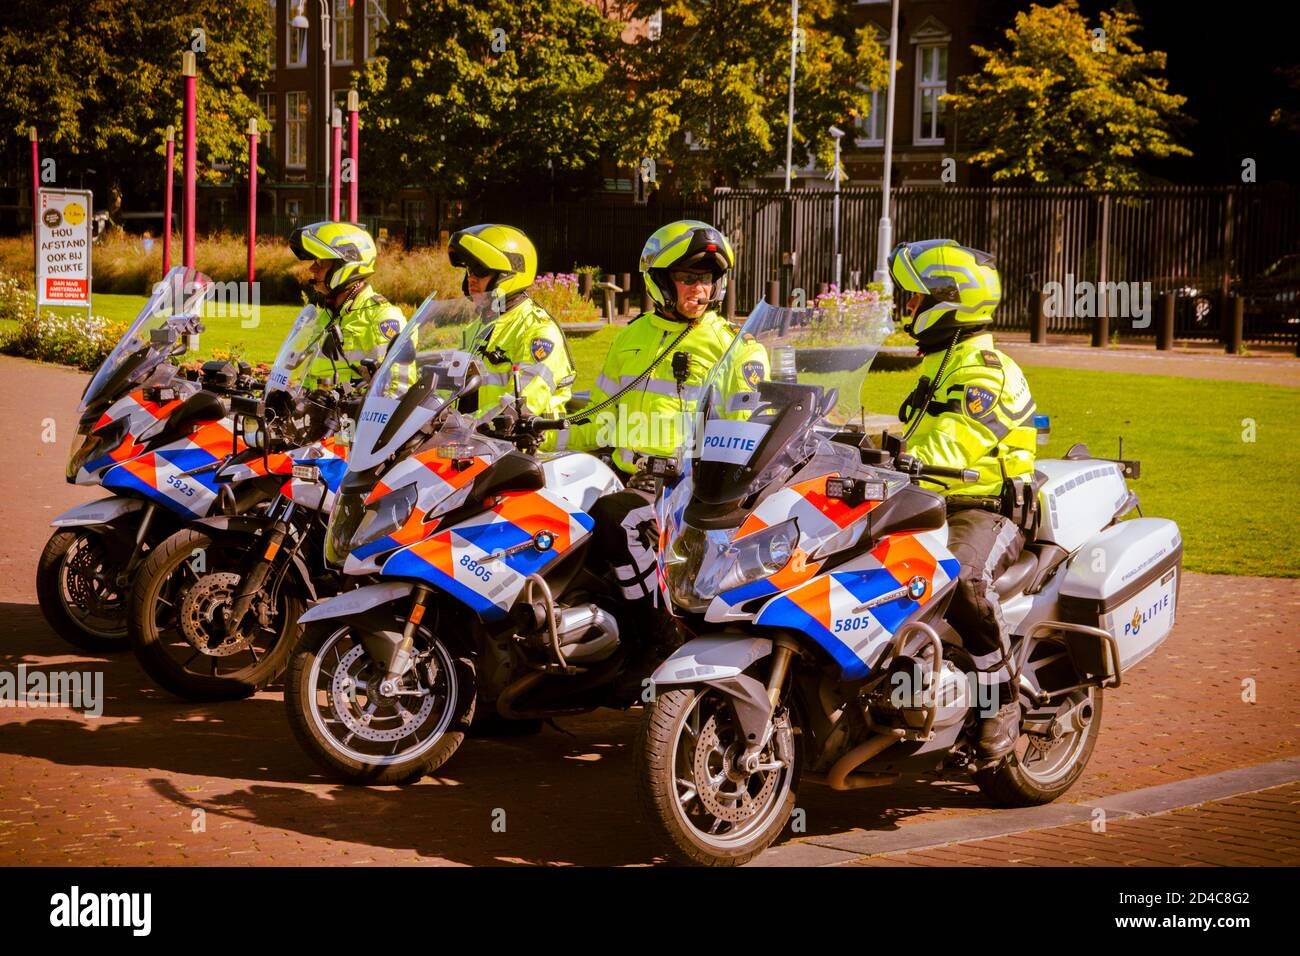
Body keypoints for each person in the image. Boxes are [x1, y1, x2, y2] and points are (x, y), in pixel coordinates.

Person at [556, 220, 768, 622]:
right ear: (660, 282)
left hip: (685, 493)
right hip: (623, 477)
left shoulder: (735, 348)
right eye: (688, 278)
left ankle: (657, 634)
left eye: (707, 279)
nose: (700, 290)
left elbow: (742, 443)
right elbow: (599, 419)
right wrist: (540, 439)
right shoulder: (630, 336)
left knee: (615, 519)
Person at [887, 238, 1038, 763]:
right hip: (925, 501)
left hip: (982, 508)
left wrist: (890, 458)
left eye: (913, 299)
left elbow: (950, 444)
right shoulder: (944, 361)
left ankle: (1001, 699)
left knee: (960, 577)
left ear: (948, 300)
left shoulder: (988, 372)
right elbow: (908, 437)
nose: (906, 310)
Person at [448, 224, 576, 420]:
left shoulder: (538, 331)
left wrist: (463, 425)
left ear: (509, 274)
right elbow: (447, 390)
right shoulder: (476, 328)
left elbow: (518, 406)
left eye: (479, 270)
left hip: (527, 445)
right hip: (475, 444)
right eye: (468, 270)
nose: (471, 278)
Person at [289, 220, 407, 387]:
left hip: (353, 413)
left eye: (321, 262)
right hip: (322, 412)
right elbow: (313, 376)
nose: (312, 269)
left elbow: (395, 388)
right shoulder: (327, 315)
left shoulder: (381, 317)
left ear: (344, 264)